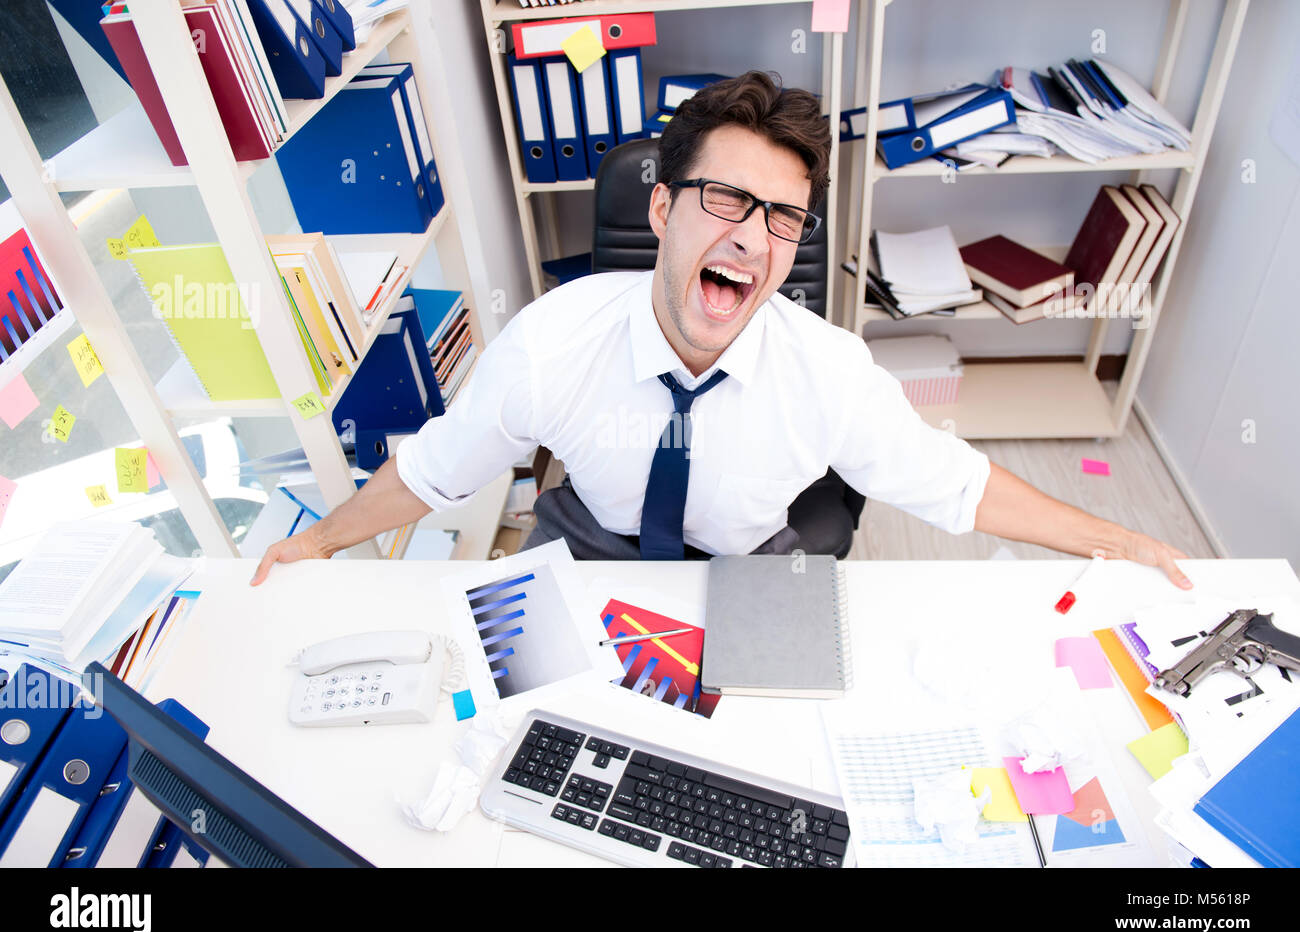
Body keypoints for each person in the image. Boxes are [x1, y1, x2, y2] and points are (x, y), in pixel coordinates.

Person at [252, 71, 1192, 589]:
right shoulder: (552, 343)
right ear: (660, 211)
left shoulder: (830, 371)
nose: (751, 235)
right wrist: (318, 543)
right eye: (724, 199)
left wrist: (1124, 542)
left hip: (752, 574)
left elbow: (959, 487)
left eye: (783, 216)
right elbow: (434, 469)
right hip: (590, 552)